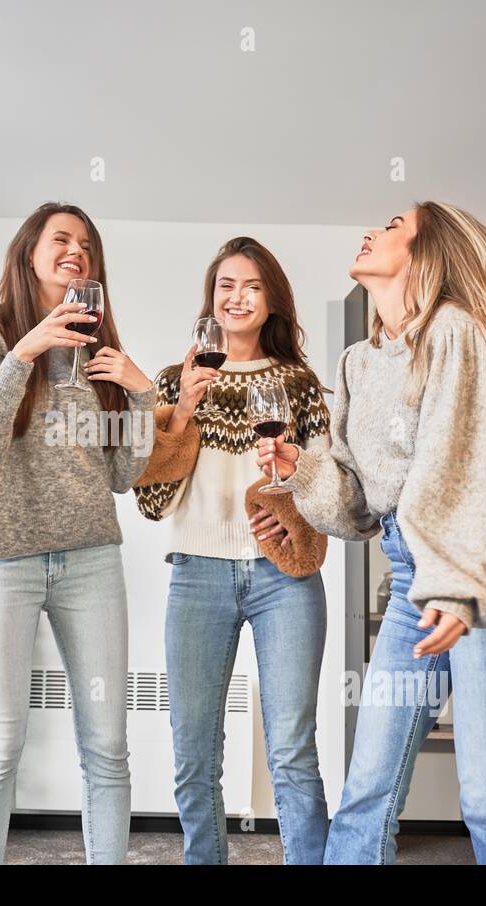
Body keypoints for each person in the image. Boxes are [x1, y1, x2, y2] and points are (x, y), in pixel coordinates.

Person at [256, 201, 486, 865]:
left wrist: (454, 584)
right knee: (367, 793)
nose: (371, 229)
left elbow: (462, 465)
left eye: (394, 225)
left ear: (427, 254)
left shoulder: (454, 332)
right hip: (413, 580)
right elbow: (357, 507)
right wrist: (298, 467)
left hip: (481, 577)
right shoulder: (358, 362)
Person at [0, 202, 156, 864]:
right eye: (62, 239)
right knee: (0, 742)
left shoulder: (98, 350)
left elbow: (122, 474)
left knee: (106, 746)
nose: (77, 250)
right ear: (28, 253)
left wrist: (142, 398)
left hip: (92, 561)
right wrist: (24, 352)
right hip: (5, 559)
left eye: (87, 245)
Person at [135, 236, 333, 864]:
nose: (236, 296)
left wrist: (293, 488)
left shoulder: (298, 385)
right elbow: (151, 502)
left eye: (250, 285)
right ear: (211, 297)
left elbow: (327, 492)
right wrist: (183, 407)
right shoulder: (176, 379)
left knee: (292, 751)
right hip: (198, 576)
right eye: (225, 284)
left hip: (284, 580)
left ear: (272, 298)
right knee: (194, 750)